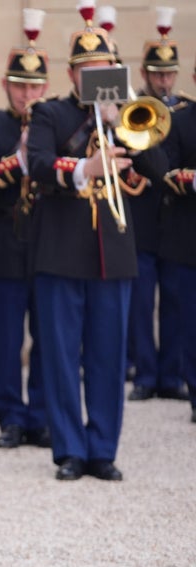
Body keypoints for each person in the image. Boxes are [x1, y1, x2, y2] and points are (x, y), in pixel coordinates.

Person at [25, 9, 149, 482]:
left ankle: (103, 449)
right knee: (59, 354)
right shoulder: (49, 112)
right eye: (87, 69)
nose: (96, 76)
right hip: (60, 250)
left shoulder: (129, 115)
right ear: (73, 73)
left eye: (105, 69)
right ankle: (69, 449)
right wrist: (85, 168)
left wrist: (119, 121)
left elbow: (154, 165)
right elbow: (38, 164)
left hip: (112, 253)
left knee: (108, 354)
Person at [0, 8, 51, 450]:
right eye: (20, 85)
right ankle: (10, 417)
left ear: (46, 87)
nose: (27, 94)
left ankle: (39, 415)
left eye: (35, 86)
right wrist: (18, 158)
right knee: (4, 337)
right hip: (1, 240)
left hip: (48, 242)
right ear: (6, 86)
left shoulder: (55, 124)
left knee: (47, 335)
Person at [126, 9, 188, 404]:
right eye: (157, 74)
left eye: (168, 74)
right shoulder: (135, 111)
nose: (163, 80)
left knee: (178, 301)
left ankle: (172, 374)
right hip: (144, 218)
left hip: (177, 221)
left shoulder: (186, 110)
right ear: (146, 74)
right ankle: (144, 374)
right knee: (141, 301)